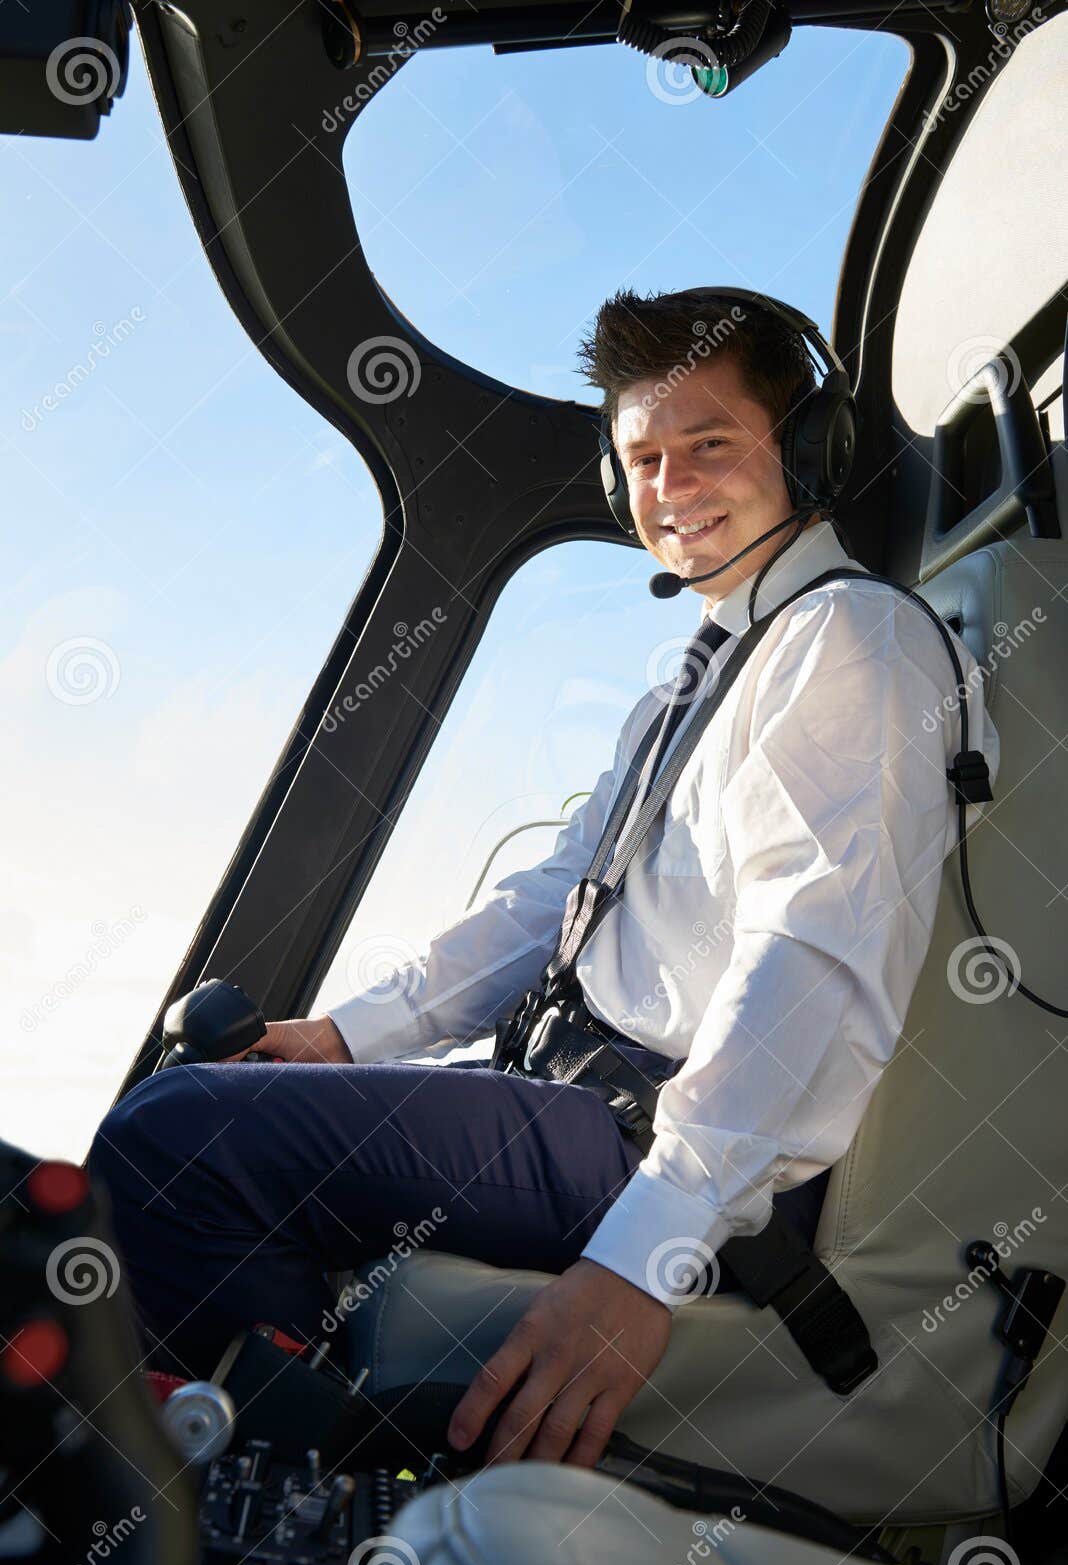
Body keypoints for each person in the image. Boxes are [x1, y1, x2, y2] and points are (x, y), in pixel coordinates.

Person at [86, 290, 999, 1471]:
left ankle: (290, 1499)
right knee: (196, 1123)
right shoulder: (704, 674)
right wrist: (353, 1036)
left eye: (710, 445)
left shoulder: (847, 645)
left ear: (808, 446)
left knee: (172, 1152)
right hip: (586, 1100)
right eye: (644, 461)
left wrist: (646, 1252)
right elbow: (555, 899)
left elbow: (808, 961)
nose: (670, 491)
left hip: (663, 1137)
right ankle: (320, 1470)